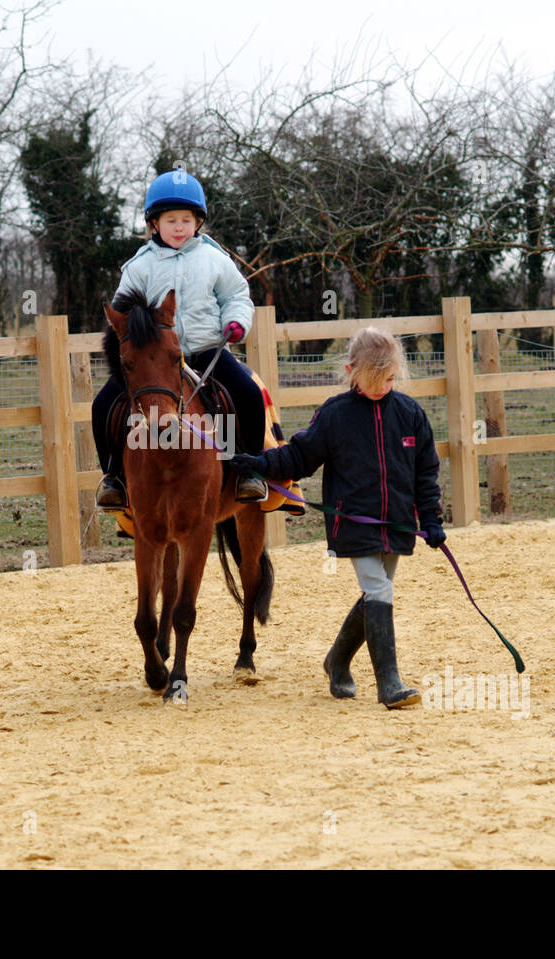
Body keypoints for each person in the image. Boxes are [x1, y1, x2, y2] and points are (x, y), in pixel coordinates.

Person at [230, 327, 445, 709]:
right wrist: (259, 463)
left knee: (374, 594)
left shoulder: (410, 414)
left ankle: (337, 660)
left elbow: (425, 472)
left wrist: (430, 518)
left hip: (397, 524)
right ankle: (389, 684)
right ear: (351, 371)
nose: (384, 387)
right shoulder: (335, 415)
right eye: (375, 380)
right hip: (353, 523)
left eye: (391, 379)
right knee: (380, 591)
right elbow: (298, 457)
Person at [93, 169, 268, 509]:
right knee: (103, 405)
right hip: (155, 363)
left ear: (198, 223)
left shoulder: (215, 259)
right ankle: (113, 477)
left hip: (207, 354)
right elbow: (122, 317)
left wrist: (235, 322)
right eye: (170, 220)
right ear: (153, 224)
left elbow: (237, 296)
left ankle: (249, 469)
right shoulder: (139, 267)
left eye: (186, 220)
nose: (178, 228)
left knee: (248, 393)